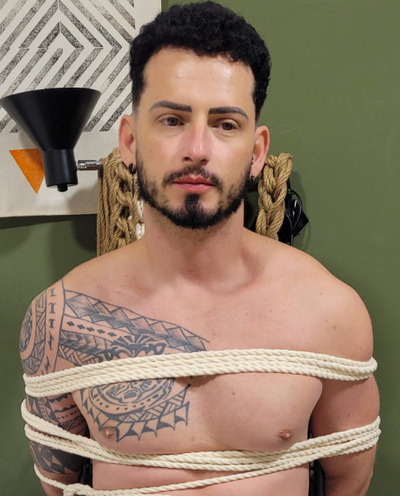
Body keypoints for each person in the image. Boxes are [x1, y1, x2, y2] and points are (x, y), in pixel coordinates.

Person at [20, 2, 380, 495]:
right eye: (172, 119)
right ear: (130, 141)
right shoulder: (61, 319)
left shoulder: (329, 312)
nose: (197, 149)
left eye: (226, 124)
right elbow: (57, 483)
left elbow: (349, 480)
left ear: (257, 153)